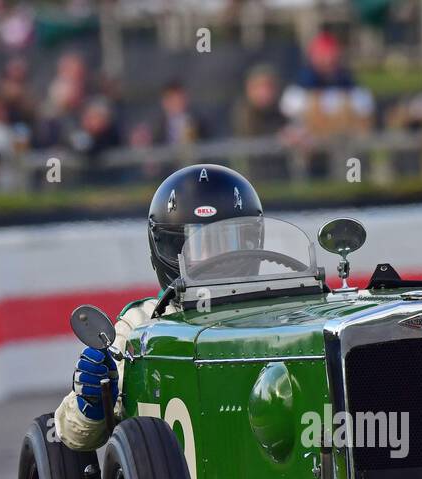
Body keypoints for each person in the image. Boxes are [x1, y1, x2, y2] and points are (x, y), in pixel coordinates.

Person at [53, 164, 264, 452]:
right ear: (168, 247)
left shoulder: (280, 312)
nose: (212, 258)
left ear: (252, 241)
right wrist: (91, 401)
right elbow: (74, 436)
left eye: (226, 243)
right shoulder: (140, 322)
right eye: (196, 246)